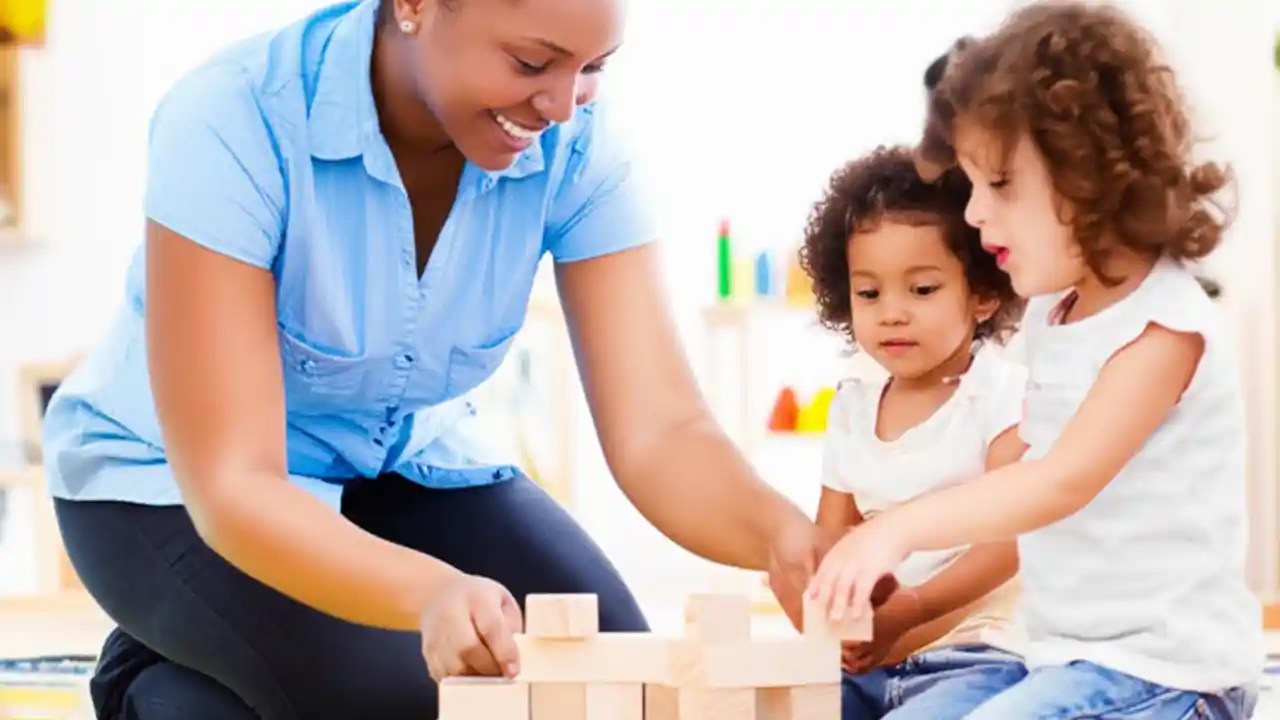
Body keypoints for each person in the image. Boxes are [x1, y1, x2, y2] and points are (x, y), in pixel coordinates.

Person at [40, 0, 828, 717]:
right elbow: (237, 483)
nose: (560, 107)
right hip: (172, 491)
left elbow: (661, 430)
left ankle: (193, 671)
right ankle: (154, 679)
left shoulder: (580, 145)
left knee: (621, 688)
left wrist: (781, 537)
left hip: (405, 466)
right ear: (414, 5)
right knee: (413, 698)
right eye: (531, 63)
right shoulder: (230, 120)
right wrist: (430, 591)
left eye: (593, 68)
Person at [806, 3, 1262, 719]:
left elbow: (1056, 482)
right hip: (1070, 661)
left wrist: (894, 529)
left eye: (1000, 186)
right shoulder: (1057, 317)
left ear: (1087, 174)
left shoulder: (1162, 329)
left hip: (1168, 675)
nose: (976, 213)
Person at [796, 145, 1027, 719]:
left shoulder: (1001, 397)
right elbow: (832, 539)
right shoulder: (851, 407)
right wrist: (836, 616)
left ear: (983, 293)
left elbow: (1009, 546)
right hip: (876, 662)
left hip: (985, 655)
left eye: (921, 290)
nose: (891, 312)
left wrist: (915, 609)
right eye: (869, 293)